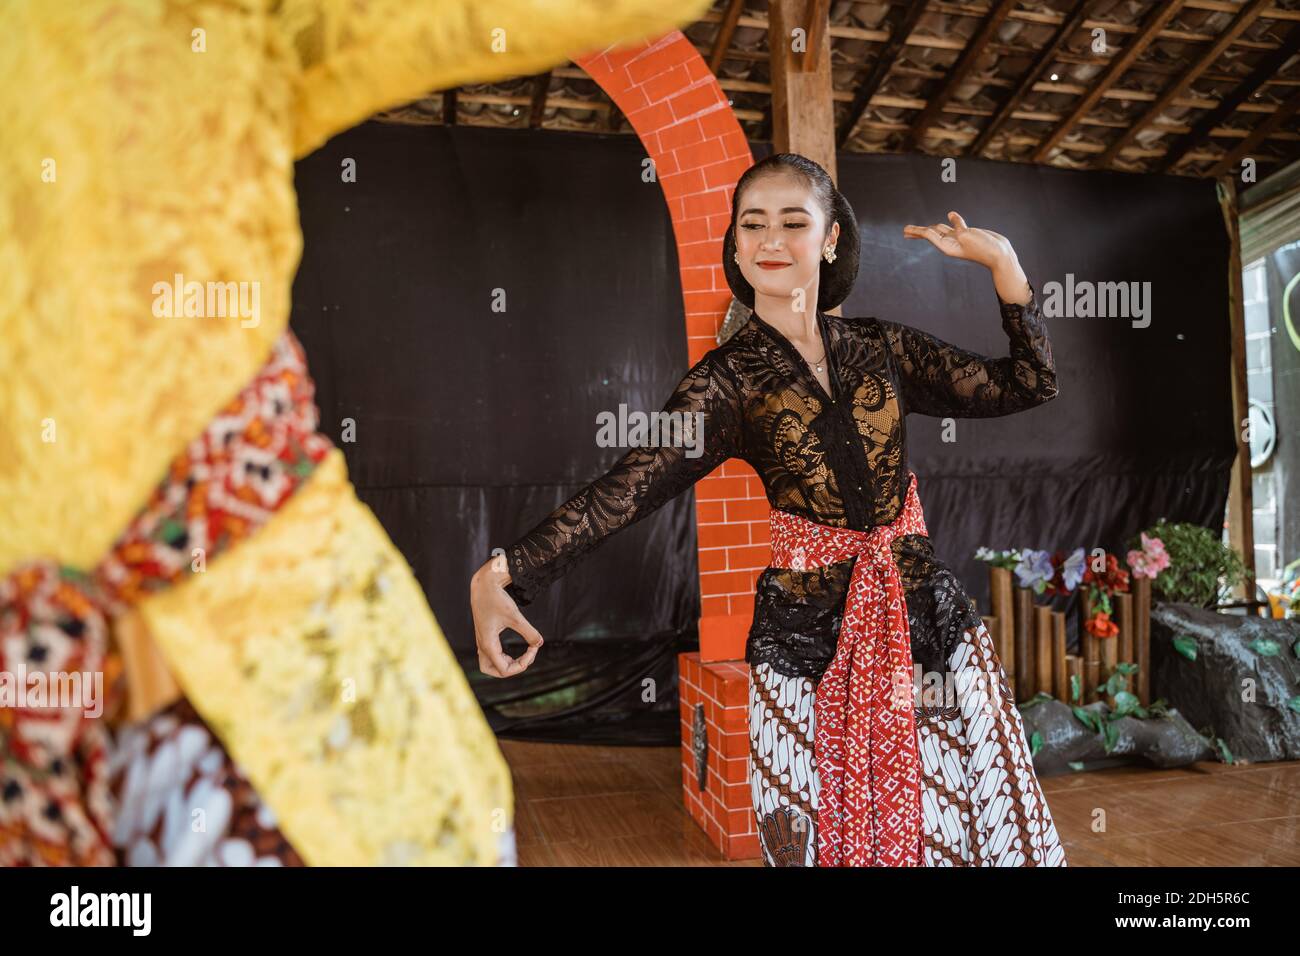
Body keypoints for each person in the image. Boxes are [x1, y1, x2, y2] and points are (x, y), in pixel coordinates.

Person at [470, 152, 1067, 867]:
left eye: (794, 221)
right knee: (814, 840)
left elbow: (1030, 383)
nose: (772, 241)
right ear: (735, 243)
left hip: (919, 619)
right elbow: (626, 489)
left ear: (831, 239)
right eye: (753, 224)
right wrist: (504, 573)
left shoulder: (884, 348)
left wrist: (1002, 264)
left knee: (964, 829)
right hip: (806, 637)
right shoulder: (725, 384)